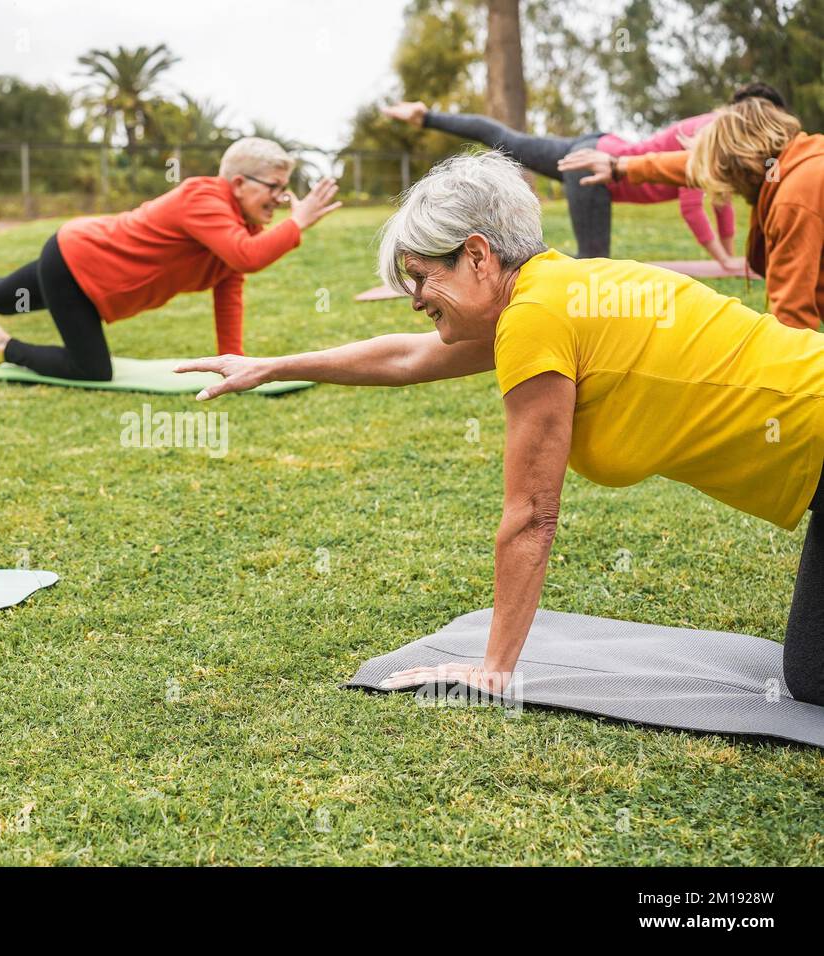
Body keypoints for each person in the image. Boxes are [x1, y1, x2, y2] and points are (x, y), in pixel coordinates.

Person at [178, 151, 824, 706]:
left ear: (479, 256)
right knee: (813, 675)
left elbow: (532, 515)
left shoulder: (538, 317)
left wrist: (494, 670)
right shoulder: (556, 293)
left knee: (815, 677)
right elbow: (411, 356)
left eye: (423, 277)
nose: (415, 298)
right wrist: (272, 365)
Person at [0, 137, 342, 380]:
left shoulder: (239, 227)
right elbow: (247, 258)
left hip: (82, 267)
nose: (281, 198)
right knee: (92, 369)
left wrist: (233, 359)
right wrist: (297, 223)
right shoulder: (203, 198)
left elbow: (229, 287)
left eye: (284, 188)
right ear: (239, 183)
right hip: (75, 261)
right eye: (274, 187)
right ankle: (4, 347)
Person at [558, 92, 824, 330]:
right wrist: (621, 166)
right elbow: (697, 165)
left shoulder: (794, 200)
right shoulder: (799, 159)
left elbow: (793, 325)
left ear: (742, 162)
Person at [380, 100, 737, 264]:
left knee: (508, 139)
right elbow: (694, 207)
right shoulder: (708, 137)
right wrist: (725, 261)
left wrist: (730, 254)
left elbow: (720, 202)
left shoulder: (715, 126)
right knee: (592, 269)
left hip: (594, 146)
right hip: (593, 167)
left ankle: (425, 116)